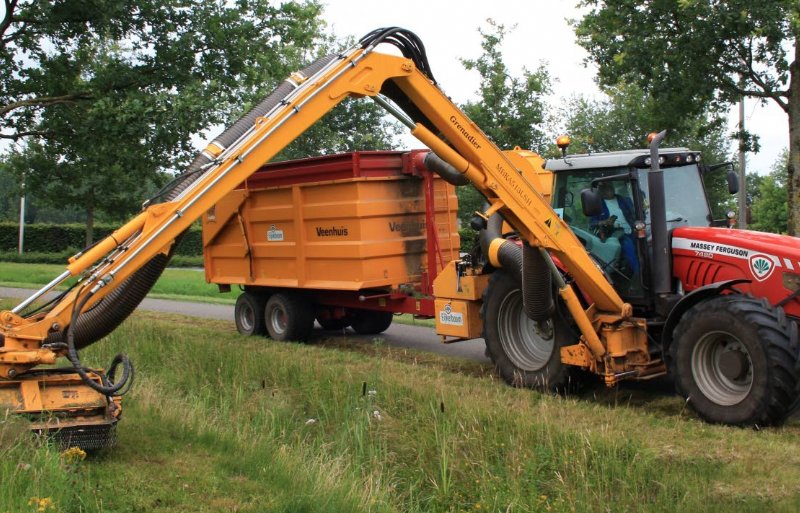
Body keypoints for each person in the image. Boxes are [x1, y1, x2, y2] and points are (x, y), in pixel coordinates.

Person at [590, 181, 639, 274]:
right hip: (616, 235)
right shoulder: (597, 204)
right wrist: (604, 222)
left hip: (634, 230)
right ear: (599, 190)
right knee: (628, 246)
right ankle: (639, 276)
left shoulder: (625, 200)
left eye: (608, 186)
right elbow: (592, 223)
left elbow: (638, 214)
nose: (607, 189)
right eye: (603, 187)